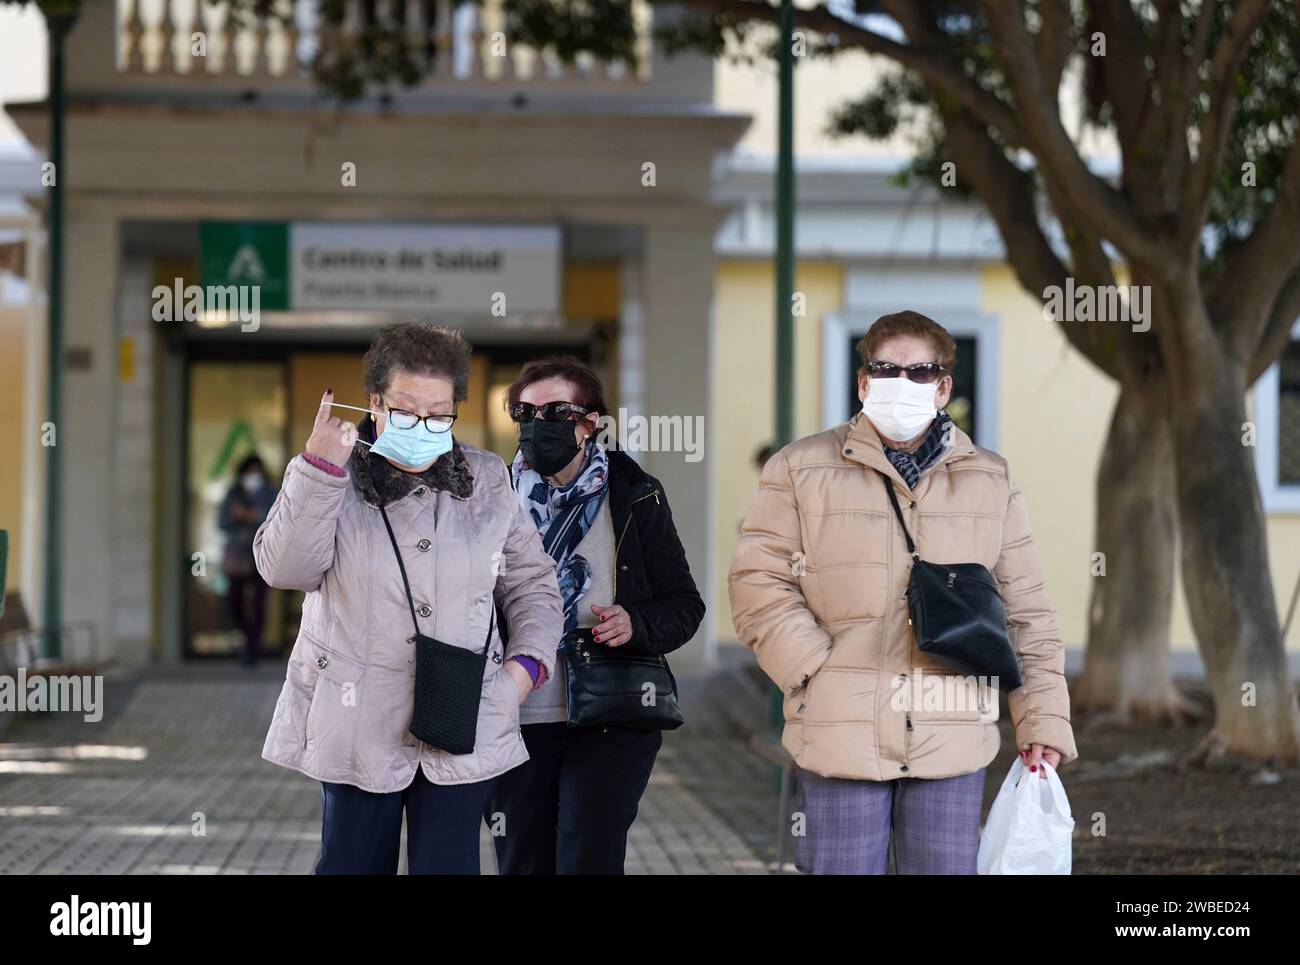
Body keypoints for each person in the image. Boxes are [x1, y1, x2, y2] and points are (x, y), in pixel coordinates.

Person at [728, 310, 1078, 875]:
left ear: (944, 387)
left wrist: (1040, 721)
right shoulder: (799, 468)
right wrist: (815, 667)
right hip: (841, 733)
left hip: (953, 734)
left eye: (921, 372)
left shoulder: (991, 479)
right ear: (863, 382)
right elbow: (757, 581)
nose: (903, 383)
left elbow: (1027, 610)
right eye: (887, 369)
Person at [255, 322, 563, 875]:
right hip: (357, 722)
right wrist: (317, 472)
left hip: (464, 715)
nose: (423, 427)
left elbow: (533, 585)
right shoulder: (334, 476)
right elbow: (284, 569)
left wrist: (522, 673)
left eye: (439, 414)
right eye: (406, 410)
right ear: (374, 403)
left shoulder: (489, 479)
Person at [484, 356, 704, 874]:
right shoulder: (489, 496)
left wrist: (636, 623)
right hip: (512, 715)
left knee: (587, 855)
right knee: (521, 859)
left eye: (557, 411)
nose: (539, 425)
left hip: (609, 711)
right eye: (525, 411)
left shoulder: (635, 494)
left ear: (592, 424)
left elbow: (684, 605)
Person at [218, 453, 277, 665]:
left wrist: (253, 515)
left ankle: (253, 649)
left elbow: (278, 519)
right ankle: (247, 638)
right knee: (233, 603)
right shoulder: (233, 494)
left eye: (256, 472)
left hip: (263, 553)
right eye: (249, 472)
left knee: (259, 603)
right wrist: (237, 516)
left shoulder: (270, 493)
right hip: (238, 555)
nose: (253, 476)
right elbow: (222, 523)